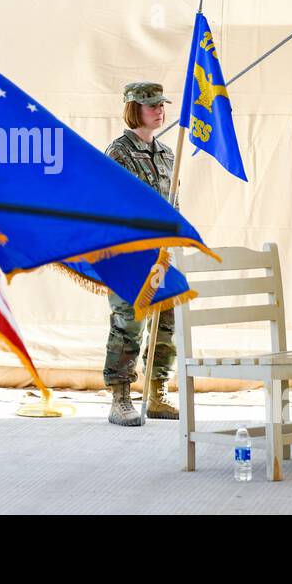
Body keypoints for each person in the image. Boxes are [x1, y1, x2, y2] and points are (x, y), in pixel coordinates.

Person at [102, 82, 178, 426]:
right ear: (134, 109)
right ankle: (120, 397)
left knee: (165, 323)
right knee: (128, 323)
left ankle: (157, 392)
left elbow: (173, 202)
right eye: (151, 106)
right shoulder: (118, 153)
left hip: (161, 253)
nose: (159, 111)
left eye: (161, 105)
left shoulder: (166, 154)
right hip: (128, 253)